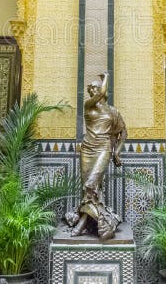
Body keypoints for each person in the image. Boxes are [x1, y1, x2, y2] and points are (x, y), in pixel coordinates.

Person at [67, 72, 128, 240]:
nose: (93, 90)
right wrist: (106, 77)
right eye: (91, 88)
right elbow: (101, 94)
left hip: (104, 149)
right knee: (89, 189)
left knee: (90, 184)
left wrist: (117, 152)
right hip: (87, 149)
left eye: (96, 87)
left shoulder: (113, 112)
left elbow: (123, 132)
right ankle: (87, 221)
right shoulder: (88, 105)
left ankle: (82, 224)